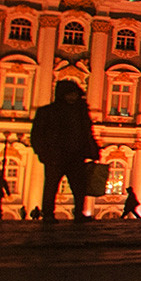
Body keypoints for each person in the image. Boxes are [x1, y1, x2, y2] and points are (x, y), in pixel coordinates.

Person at [31, 79, 100, 222]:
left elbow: (87, 132)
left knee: (79, 187)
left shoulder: (80, 112)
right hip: (55, 155)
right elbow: (37, 135)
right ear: (62, 94)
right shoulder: (47, 112)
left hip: (76, 155)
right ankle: (48, 214)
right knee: (51, 186)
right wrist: (43, 154)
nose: (73, 97)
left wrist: (93, 149)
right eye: (70, 94)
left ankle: (79, 213)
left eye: (74, 94)